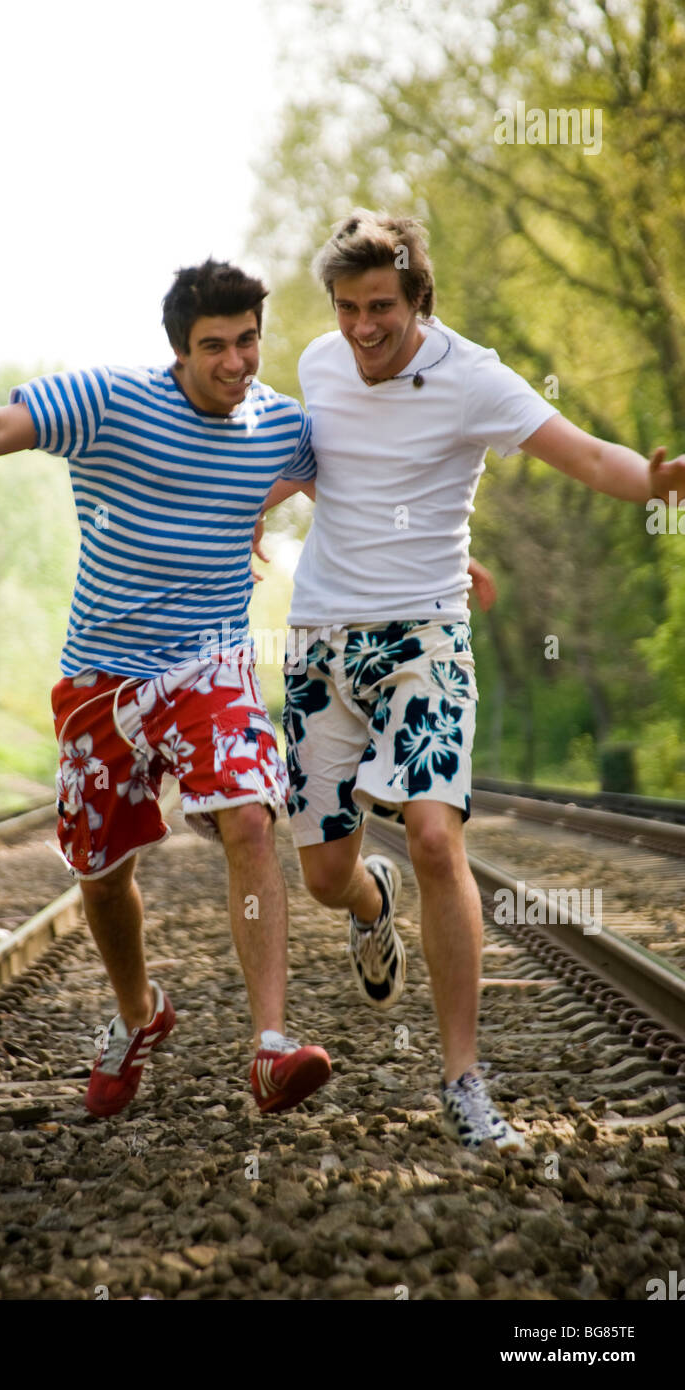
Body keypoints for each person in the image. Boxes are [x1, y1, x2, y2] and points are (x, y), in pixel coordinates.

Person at [0, 259, 332, 1119]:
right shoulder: (108, 402)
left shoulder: (281, 425)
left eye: (249, 342)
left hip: (209, 662)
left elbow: (348, 483)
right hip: (101, 679)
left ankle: (270, 1046)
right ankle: (137, 1015)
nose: (237, 363)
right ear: (178, 353)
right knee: (102, 873)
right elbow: (3, 426)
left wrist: (288, 508)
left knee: (252, 813)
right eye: (215, 347)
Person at [258, 209, 685, 1151]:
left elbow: (583, 454)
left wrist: (656, 485)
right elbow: (335, 469)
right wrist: (265, 506)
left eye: (380, 307)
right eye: (345, 308)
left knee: (436, 842)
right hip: (323, 637)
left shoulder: (474, 379)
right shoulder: (321, 365)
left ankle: (462, 1079)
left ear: (419, 300)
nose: (361, 328)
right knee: (325, 875)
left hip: (426, 642)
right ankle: (372, 904)